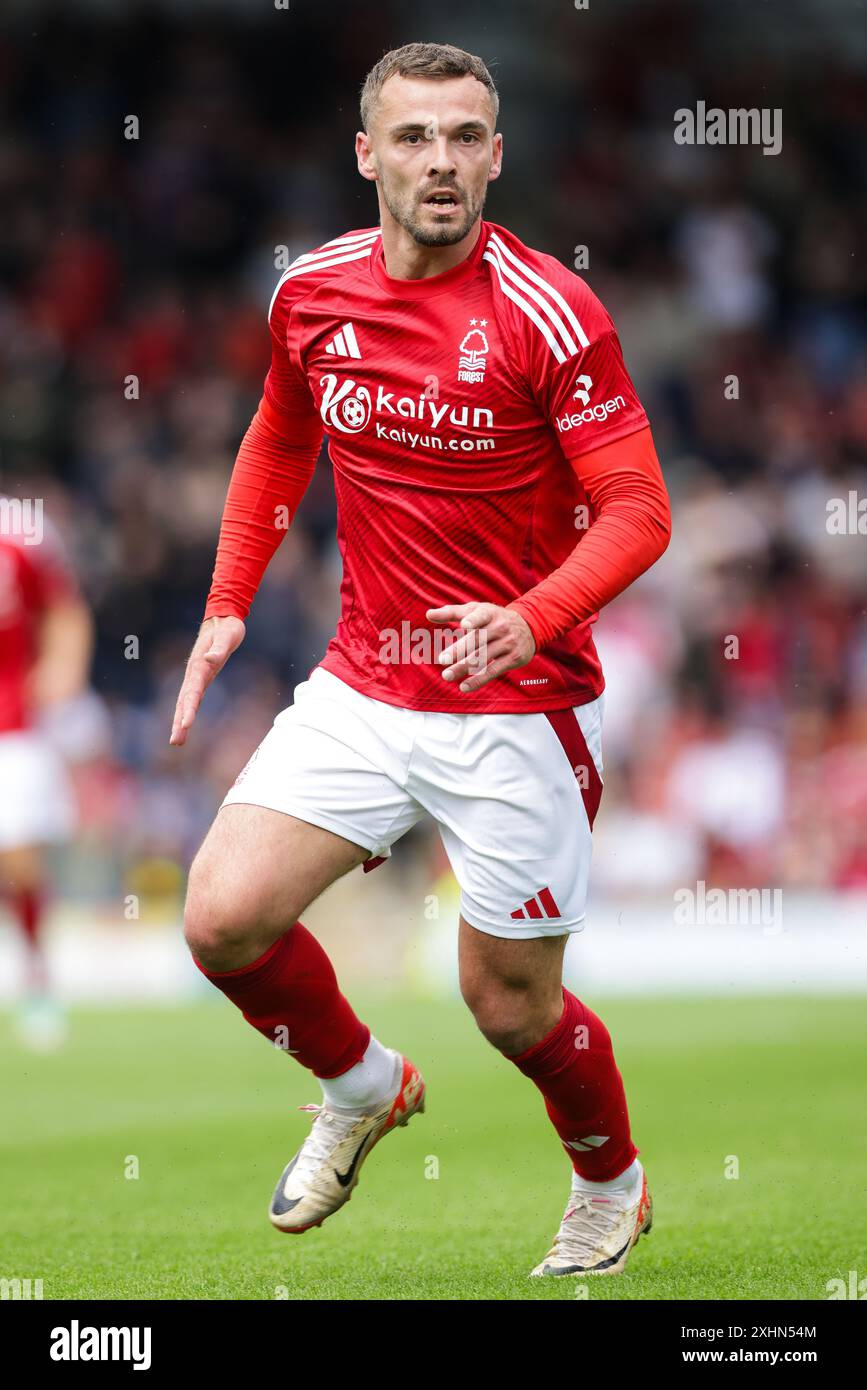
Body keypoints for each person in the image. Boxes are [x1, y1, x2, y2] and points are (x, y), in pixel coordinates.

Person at [171, 42, 670, 1278]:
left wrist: (534, 613)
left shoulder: (551, 311)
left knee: (507, 1004)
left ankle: (611, 1182)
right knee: (222, 920)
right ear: (367, 156)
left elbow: (641, 509)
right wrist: (228, 600)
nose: (439, 161)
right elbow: (281, 435)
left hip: (517, 704)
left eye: (463, 137)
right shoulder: (314, 291)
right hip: (364, 679)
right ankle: (361, 1085)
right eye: (413, 137)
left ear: (497, 156)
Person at [0, 496, 92, 1048]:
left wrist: (63, 668)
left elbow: (64, 607)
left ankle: (37, 979)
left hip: (14, 725)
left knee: (20, 860)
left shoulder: (19, 530)